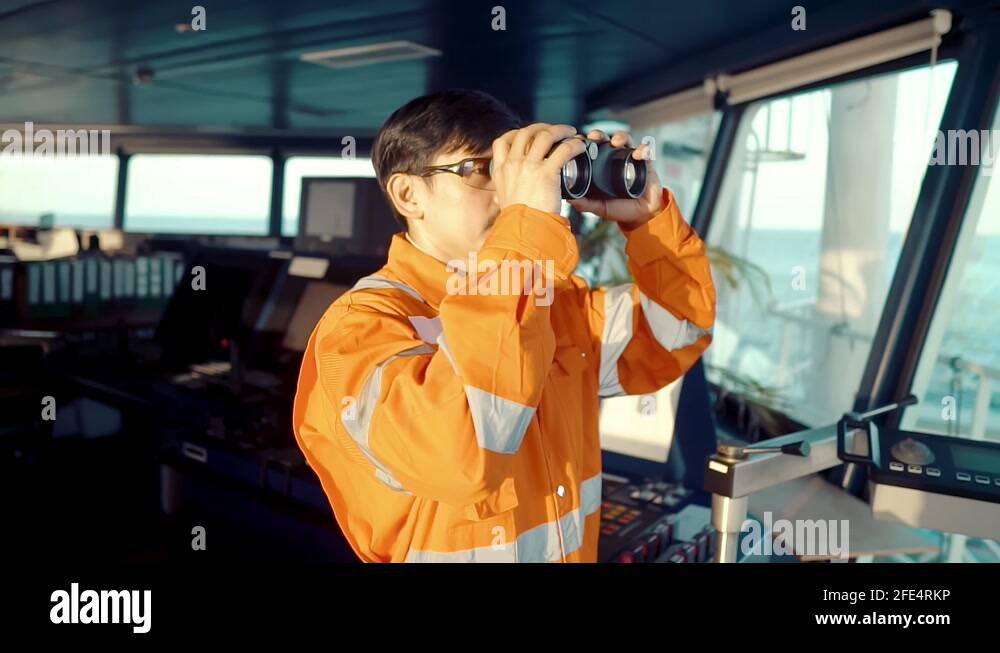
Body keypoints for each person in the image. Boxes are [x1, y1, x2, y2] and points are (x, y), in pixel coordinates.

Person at [292, 89, 716, 562]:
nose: (506, 190)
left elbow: (681, 329)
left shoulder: (550, 301)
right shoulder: (359, 330)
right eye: (480, 169)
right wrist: (527, 226)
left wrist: (648, 222)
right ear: (409, 194)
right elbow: (463, 454)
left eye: (512, 170)